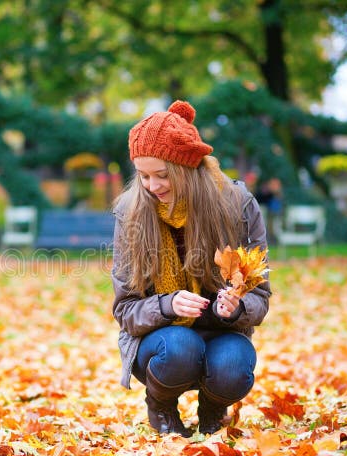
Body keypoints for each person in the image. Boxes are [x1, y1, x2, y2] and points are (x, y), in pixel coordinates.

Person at [111, 100, 271, 437]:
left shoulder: (237, 206)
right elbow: (125, 308)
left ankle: (214, 410)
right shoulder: (132, 212)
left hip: (223, 333)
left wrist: (237, 306)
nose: (152, 187)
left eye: (162, 175)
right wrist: (167, 305)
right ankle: (161, 407)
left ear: (186, 168)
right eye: (143, 176)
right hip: (161, 340)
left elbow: (259, 296)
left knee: (233, 367)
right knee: (181, 347)